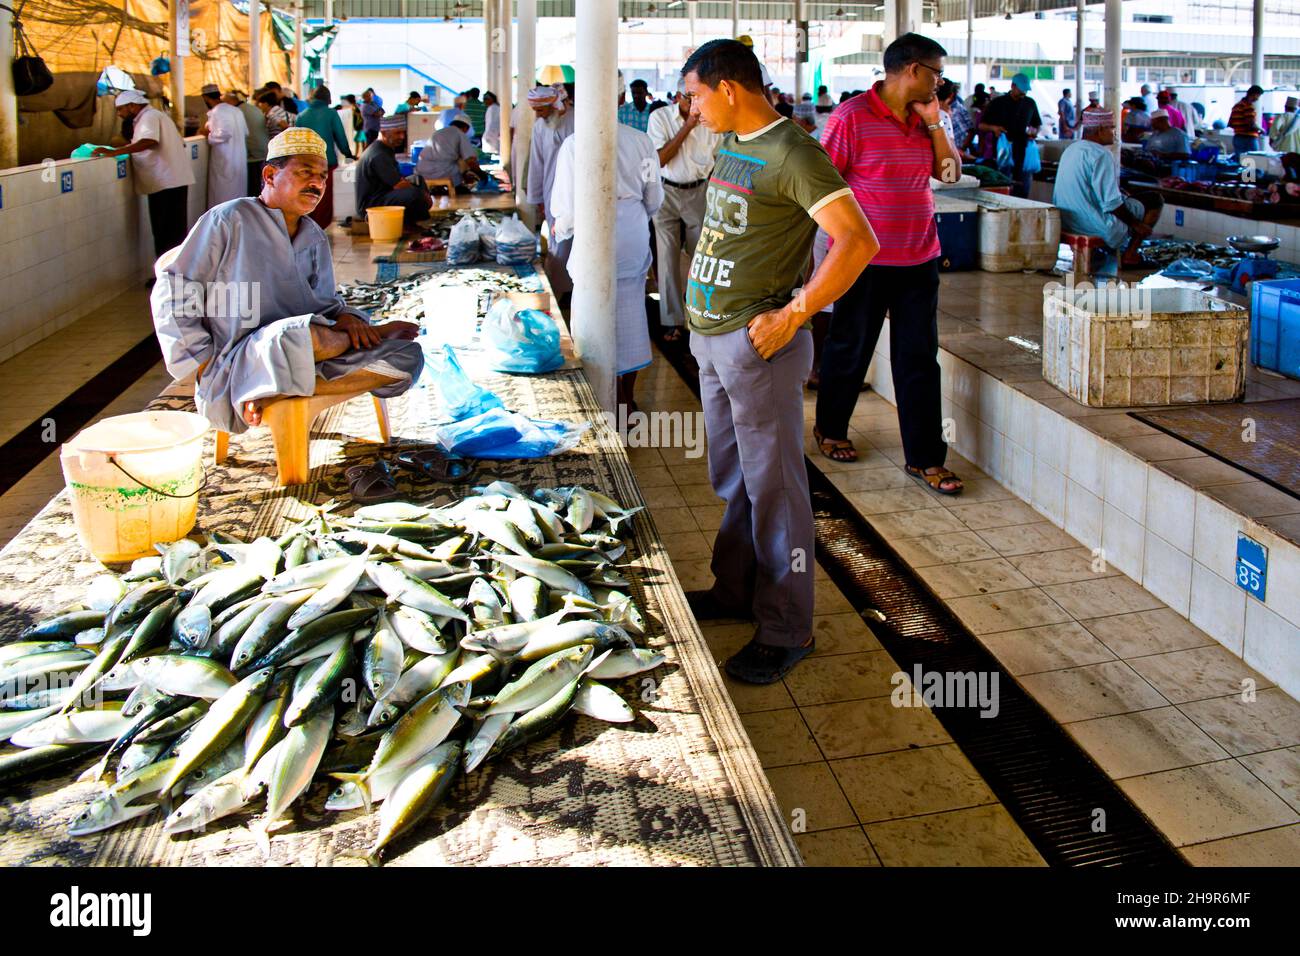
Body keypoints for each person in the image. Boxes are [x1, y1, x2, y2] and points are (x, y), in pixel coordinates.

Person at [680, 39, 879, 684]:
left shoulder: (793, 151)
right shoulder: (732, 144)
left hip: (758, 345)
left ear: (729, 88)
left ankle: (788, 628)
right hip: (713, 338)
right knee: (733, 477)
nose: (692, 108)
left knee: (777, 490)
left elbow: (857, 240)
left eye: (696, 95)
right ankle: (736, 589)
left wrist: (795, 313)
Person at [151, 127, 423, 436]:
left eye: (322, 176)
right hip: (242, 356)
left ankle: (273, 390)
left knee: (407, 355)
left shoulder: (314, 236)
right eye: (305, 172)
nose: (317, 183)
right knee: (305, 337)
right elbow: (173, 287)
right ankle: (251, 384)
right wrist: (200, 362)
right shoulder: (229, 220)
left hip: (307, 353)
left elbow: (326, 304)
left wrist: (347, 317)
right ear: (269, 175)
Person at [815, 32, 963, 502]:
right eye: (936, 73)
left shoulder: (931, 119)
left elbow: (950, 175)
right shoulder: (851, 117)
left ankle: (926, 456)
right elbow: (821, 185)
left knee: (918, 357)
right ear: (913, 70)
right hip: (862, 259)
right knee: (850, 346)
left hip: (919, 256)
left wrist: (936, 125)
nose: (940, 82)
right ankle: (830, 427)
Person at [551, 81, 663, 414]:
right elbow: (654, 197)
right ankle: (626, 400)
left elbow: (567, 210)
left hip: (592, 235)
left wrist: (563, 227)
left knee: (591, 317)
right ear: (620, 100)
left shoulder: (574, 145)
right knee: (631, 317)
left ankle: (601, 397)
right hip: (631, 231)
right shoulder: (642, 140)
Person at [648, 76, 722, 344]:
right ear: (677, 96)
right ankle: (671, 320)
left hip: (699, 192)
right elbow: (660, 159)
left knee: (700, 256)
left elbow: (718, 159)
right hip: (666, 190)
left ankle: (698, 316)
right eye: (688, 97)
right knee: (666, 257)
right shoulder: (660, 117)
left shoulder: (711, 119)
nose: (693, 103)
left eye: (697, 97)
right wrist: (688, 126)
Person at [1053, 111, 1163, 269]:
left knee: (1127, 198)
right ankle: (1131, 255)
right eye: (1111, 128)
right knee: (1154, 199)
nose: (1115, 132)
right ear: (1099, 129)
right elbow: (1111, 204)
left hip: (1067, 221)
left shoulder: (1071, 149)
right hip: (1092, 225)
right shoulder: (1101, 154)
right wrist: (1136, 224)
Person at [93, 90, 195, 260]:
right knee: (174, 230)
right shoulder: (155, 116)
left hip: (164, 181)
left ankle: (167, 275)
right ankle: (174, 273)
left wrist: (117, 151)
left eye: (120, 110)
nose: (119, 114)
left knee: (165, 230)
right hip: (172, 179)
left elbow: (150, 141)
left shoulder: (149, 117)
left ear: (132, 106)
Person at [526, 84, 577, 299]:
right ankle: (562, 290)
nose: (538, 115)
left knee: (577, 240)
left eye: (541, 110)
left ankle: (575, 289)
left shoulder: (576, 120)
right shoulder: (540, 127)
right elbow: (536, 163)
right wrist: (536, 196)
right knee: (558, 240)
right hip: (551, 189)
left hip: (576, 190)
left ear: (554, 104)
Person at [355, 113, 432, 225]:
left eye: (403, 133)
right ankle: (410, 223)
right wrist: (424, 195)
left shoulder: (385, 149)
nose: (402, 137)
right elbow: (398, 184)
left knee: (417, 179)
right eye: (397, 133)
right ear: (384, 133)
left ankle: (418, 218)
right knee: (414, 194)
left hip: (384, 195)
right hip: (371, 205)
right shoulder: (378, 154)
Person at [294, 85, 354, 229]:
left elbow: (296, 141)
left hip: (305, 164)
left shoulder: (301, 116)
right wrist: (348, 154)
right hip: (326, 163)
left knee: (308, 195)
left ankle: (308, 227)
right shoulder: (331, 114)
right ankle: (321, 228)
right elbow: (340, 137)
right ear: (328, 98)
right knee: (324, 198)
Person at [979, 73, 1040, 197]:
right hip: (1003, 152)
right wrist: (994, 128)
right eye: (1021, 90)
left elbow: (1036, 124)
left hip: (1023, 151)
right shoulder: (998, 103)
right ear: (1013, 86)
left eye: (1026, 90)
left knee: (1023, 189)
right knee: (1003, 188)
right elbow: (981, 125)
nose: (1024, 93)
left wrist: (1034, 132)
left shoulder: (1030, 103)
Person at [201, 83, 249, 208]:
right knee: (236, 195)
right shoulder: (236, 110)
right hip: (238, 159)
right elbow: (245, 132)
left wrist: (209, 136)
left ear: (205, 98)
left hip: (225, 160)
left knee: (222, 197)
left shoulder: (218, 111)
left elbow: (224, 133)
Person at [416, 111, 481, 189]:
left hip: (421, 171)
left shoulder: (437, 133)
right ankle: (458, 187)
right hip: (441, 172)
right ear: (466, 128)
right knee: (463, 162)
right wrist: (482, 175)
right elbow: (470, 160)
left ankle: (437, 188)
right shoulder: (460, 134)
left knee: (457, 160)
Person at [231, 90, 269, 196]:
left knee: (253, 189)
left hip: (253, 154)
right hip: (263, 150)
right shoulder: (253, 109)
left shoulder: (238, 112)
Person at [1230, 85, 1265, 156]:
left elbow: (1231, 123)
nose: (1258, 99)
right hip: (1249, 139)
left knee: (1240, 162)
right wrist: (1261, 130)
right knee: (1252, 161)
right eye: (1258, 96)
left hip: (1237, 137)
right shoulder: (1248, 106)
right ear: (1254, 94)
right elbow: (1251, 123)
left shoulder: (1236, 106)